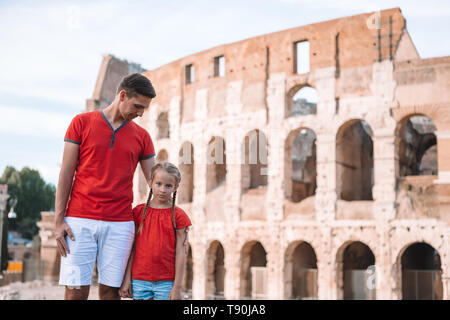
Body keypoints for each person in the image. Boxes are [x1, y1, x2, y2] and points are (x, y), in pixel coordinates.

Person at [55, 73, 159, 300]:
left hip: (120, 223)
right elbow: (66, 172)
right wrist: (58, 220)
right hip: (78, 220)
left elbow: (156, 181)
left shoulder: (143, 137)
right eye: (138, 106)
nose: (140, 113)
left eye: (144, 109)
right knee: (75, 291)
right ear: (122, 95)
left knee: (111, 293)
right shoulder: (81, 123)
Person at [119, 162, 192, 300]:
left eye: (168, 186)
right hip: (139, 280)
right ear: (151, 183)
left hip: (167, 283)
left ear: (175, 187)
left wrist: (177, 287)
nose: (162, 190)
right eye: (158, 184)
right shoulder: (138, 212)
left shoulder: (179, 216)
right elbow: (132, 248)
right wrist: (127, 279)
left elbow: (181, 253)